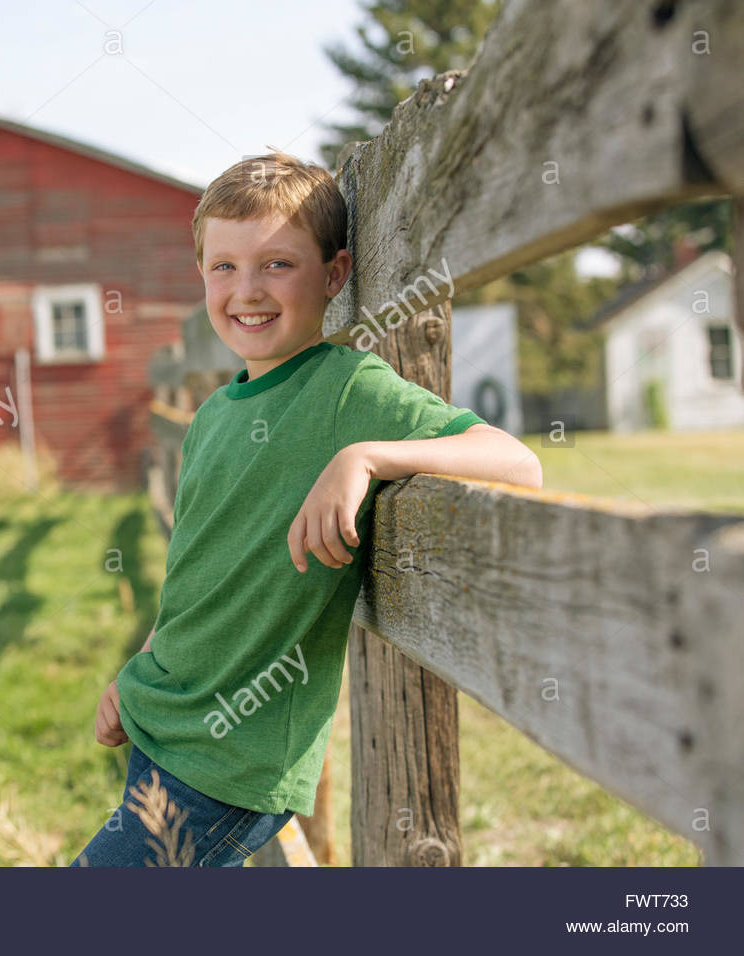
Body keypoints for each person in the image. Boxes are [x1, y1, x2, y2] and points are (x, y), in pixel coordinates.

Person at [70, 149, 543, 867]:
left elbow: (518, 462)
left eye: (277, 264)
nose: (247, 289)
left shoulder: (347, 391)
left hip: (226, 769)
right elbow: (198, 579)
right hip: (163, 726)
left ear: (336, 274)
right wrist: (138, 670)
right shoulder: (210, 418)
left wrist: (367, 457)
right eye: (224, 266)